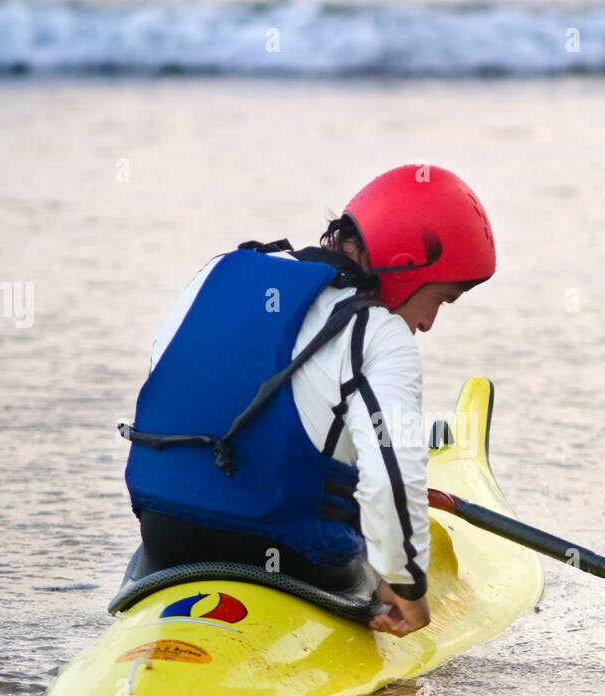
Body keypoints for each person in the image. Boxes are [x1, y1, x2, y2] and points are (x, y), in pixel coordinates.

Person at [119, 165, 496, 636]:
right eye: (441, 299)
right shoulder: (379, 333)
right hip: (289, 557)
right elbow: (389, 479)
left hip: (164, 539)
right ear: (404, 268)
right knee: (371, 549)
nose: (428, 323)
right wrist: (409, 588)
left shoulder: (216, 273)